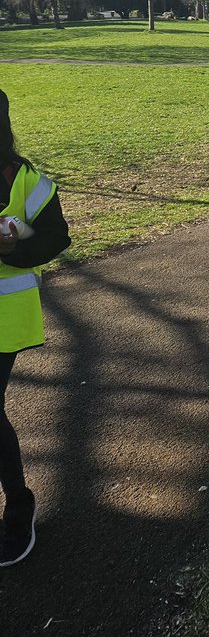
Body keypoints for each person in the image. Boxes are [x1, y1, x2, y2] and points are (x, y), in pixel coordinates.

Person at [0, 87, 70, 567]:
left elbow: (56, 237)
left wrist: (13, 250)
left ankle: (19, 503)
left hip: (6, 320)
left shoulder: (26, 180)